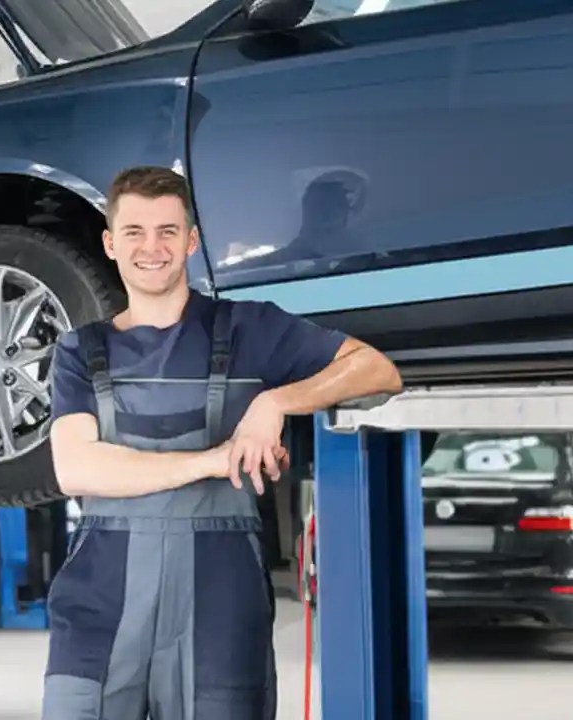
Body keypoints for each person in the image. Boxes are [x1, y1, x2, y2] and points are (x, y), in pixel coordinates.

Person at [40, 166, 403, 720]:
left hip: (218, 607)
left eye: (167, 231)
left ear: (191, 241)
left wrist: (276, 402)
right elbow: (78, 468)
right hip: (101, 606)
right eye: (134, 231)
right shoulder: (79, 352)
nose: (151, 247)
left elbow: (376, 370)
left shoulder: (250, 329)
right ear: (111, 244)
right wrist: (214, 459)